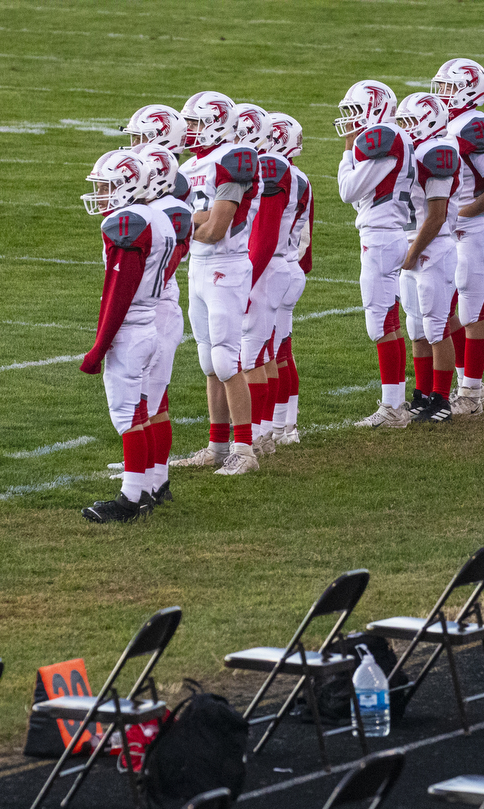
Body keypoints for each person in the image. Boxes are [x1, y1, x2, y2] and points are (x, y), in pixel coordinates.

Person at [77, 150, 177, 524]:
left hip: (132, 327)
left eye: (105, 186)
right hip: (152, 319)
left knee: (128, 416)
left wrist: (98, 347)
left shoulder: (128, 222)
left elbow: (118, 293)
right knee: (145, 409)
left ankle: (130, 500)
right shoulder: (159, 216)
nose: (100, 194)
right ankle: (150, 487)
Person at [172, 91, 261, 476]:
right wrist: (195, 220)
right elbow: (198, 222)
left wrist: (186, 224)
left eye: (193, 123)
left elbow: (217, 228)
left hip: (227, 264)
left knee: (226, 359)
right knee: (209, 360)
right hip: (200, 267)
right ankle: (218, 446)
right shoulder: (194, 163)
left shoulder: (233, 157)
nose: (187, 131)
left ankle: (245, 449)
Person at [336, 79, 416, 429]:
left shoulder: (382, 136)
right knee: (390, 322)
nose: (351, 121)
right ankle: (394, 403)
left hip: (381, 236)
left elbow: (348, 190)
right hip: (389, 232)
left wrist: (345, 153)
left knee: (381, 323)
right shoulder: (393, 136)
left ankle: (393, 408)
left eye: (355, 111)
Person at [433, 58, 484, 417]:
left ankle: (472, 391)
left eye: (448, 87)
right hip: (453, 228)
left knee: (472, 312)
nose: (442, 94)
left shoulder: (474, 126)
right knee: (446, 309)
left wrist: (458, 214)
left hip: (476, 228)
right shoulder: (447, 123)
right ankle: (467, 383)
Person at [395, 92, 460, 424]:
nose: (404, 129)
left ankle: (442, 399)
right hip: (412, 248)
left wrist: (412, 253)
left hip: (432, 249)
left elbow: (436, 216)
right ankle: (421, 395)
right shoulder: (410, 152)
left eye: (409, 122)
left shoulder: (438, 152)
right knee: (416, 327)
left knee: (437, 328)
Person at [233, 103, 292, 456]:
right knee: (265, 352)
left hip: (264, 267)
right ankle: (266, 431)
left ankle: (255, 436)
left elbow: (267, 235)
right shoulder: (275, 164)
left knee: (250, 357)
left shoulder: (270, 165)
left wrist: (247, 280)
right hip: (273, 265)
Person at [136, 144, 192, 504]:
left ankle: (142, 486)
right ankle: (156, 480)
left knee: (142, 405)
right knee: (153, 403)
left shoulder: (166, 210)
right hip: (156, 308)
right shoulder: (162, 206)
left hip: (154, 309)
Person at [264, 111, 311, 444]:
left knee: (266, 354)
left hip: (273, 267)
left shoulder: (275, 177)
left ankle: (271, 428)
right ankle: (287, 426)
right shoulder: (300, 178)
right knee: (282, 350)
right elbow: (305, 236)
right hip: (290, 265)